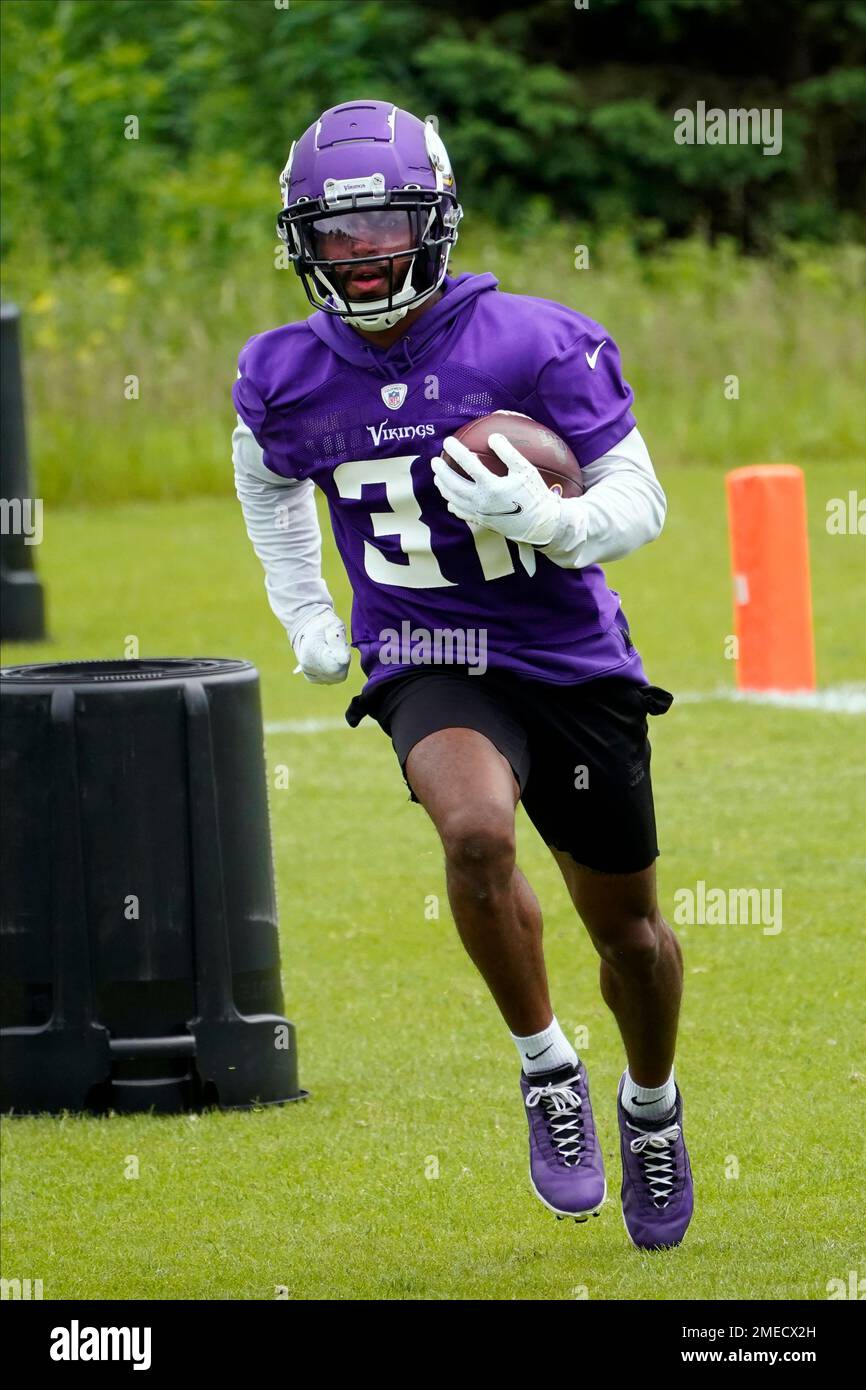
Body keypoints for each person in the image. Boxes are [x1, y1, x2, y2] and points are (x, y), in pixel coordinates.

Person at [232, 99, 693, 1250]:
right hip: (424, 654)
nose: (360, 254)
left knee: (630, 936)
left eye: (383, 225)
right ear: (300, 244)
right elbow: (265, 478)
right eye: (332, 236)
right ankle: (545, 1069)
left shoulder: (532, 342)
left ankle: (648, 1104)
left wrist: (551, 514)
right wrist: (301, 605)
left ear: (434, 222)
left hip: (567, 658)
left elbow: (640, 498)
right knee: (475, 834)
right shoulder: (283, 373)